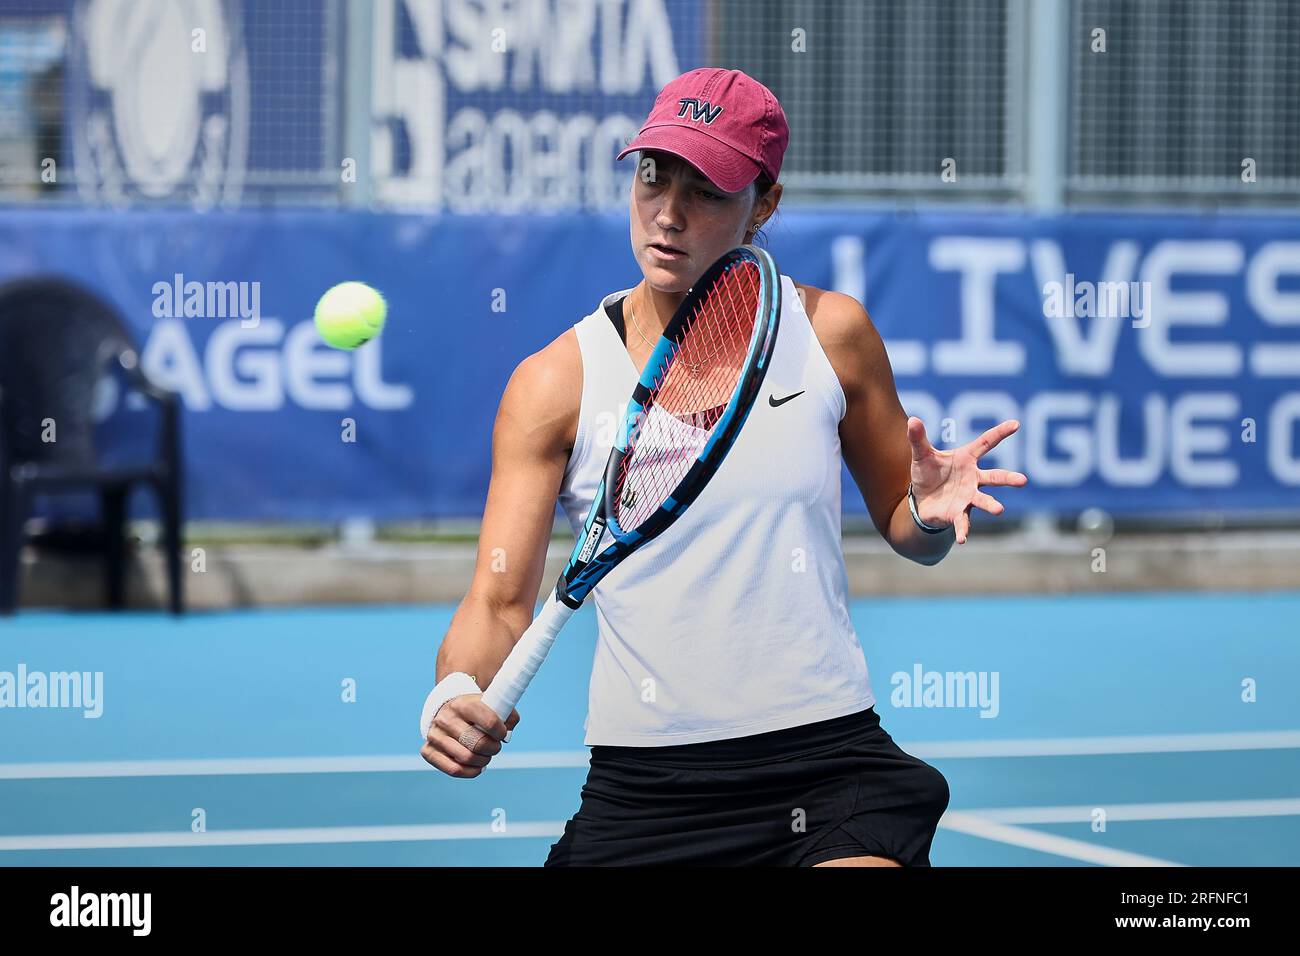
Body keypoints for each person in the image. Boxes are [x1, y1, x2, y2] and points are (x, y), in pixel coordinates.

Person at [419, 68, 1027, 866]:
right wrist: (457, 690)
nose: (668, 214)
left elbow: (905, 529)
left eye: (707, 189)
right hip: (646, 792)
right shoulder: (554, 383)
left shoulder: (831, 334)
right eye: (652, 177)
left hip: (829, 765)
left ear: (764, 202)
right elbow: (499, 602)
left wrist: (928, 515)